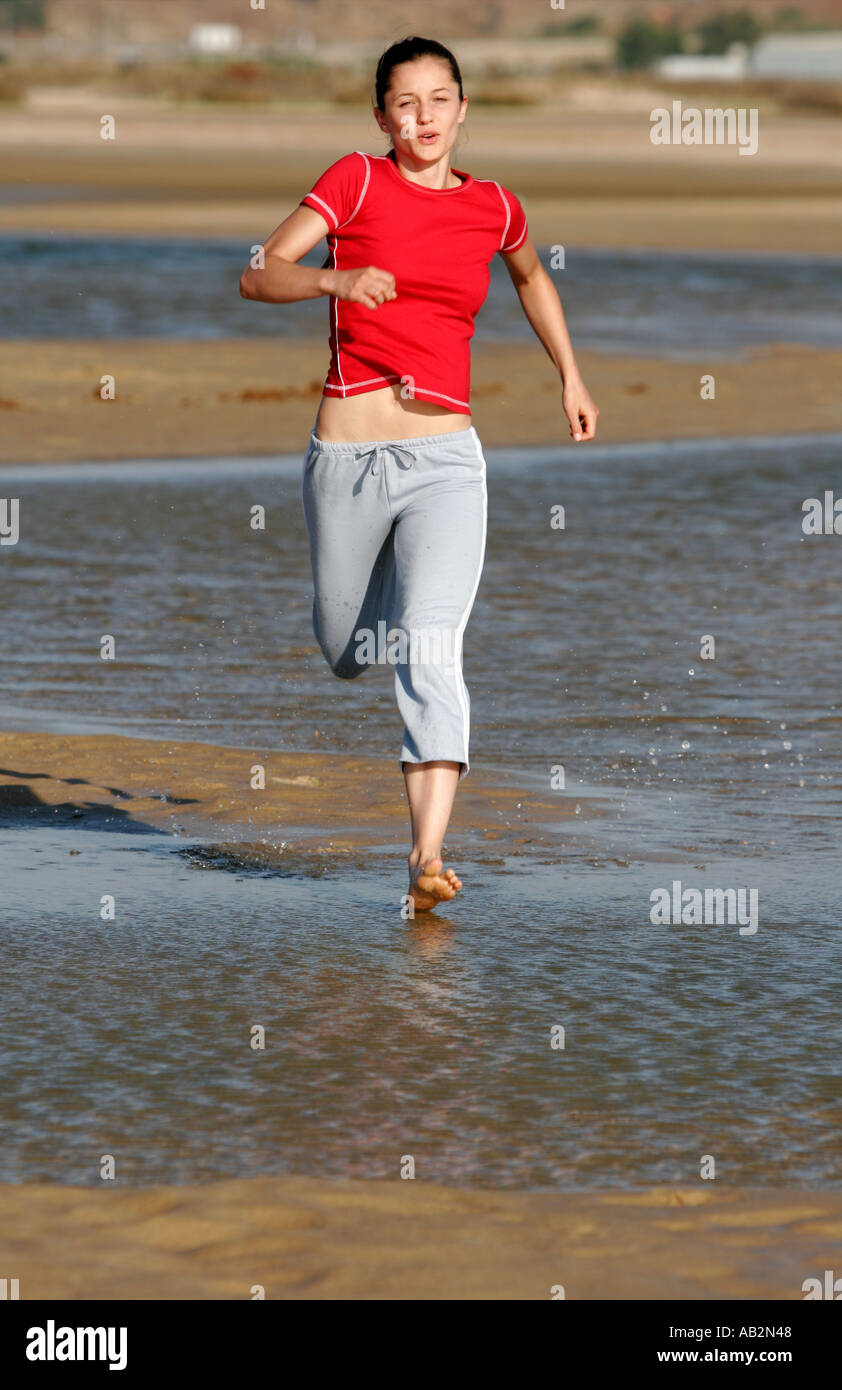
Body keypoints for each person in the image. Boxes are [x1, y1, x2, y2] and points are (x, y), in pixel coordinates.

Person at [240, 36, 599, 913]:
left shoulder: (496, 206)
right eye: (406, 103)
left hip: (447, 461)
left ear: (463, 108)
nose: (424, 117)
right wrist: (338, 281)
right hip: (350, 461)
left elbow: (529, 278)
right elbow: (258, 273)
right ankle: (373, 596)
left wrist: (571, 374)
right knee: (346, 649)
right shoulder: (355, 181)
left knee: (432, 650)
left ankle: (425, 857)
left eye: (440, 99)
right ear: (381, 118)